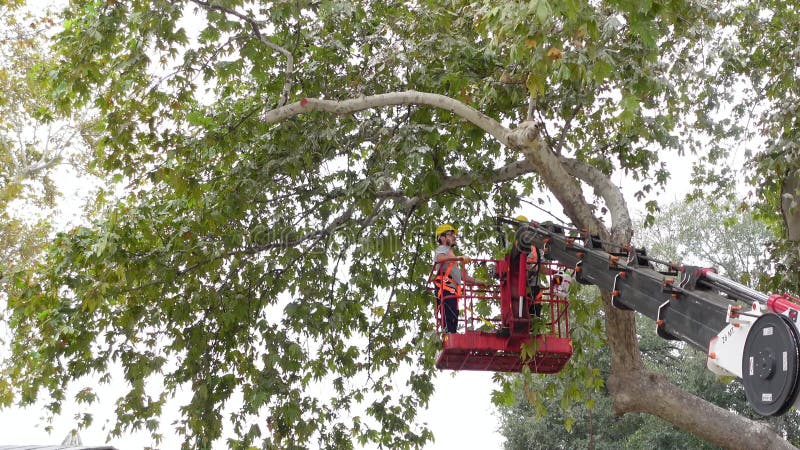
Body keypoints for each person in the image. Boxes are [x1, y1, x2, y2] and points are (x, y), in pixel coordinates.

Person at [433, 223, 484, 334]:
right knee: (449, 318)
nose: (454, 237)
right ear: (442, 238)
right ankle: (448, 334)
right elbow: (440, 258)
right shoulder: (441, 249)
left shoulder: (451, 255)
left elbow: (461, 275)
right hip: (445, 288)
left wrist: (477, 281)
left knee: (453, 317)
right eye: (451, 234)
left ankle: (450, 334)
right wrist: (458, 258)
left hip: (451, 290)